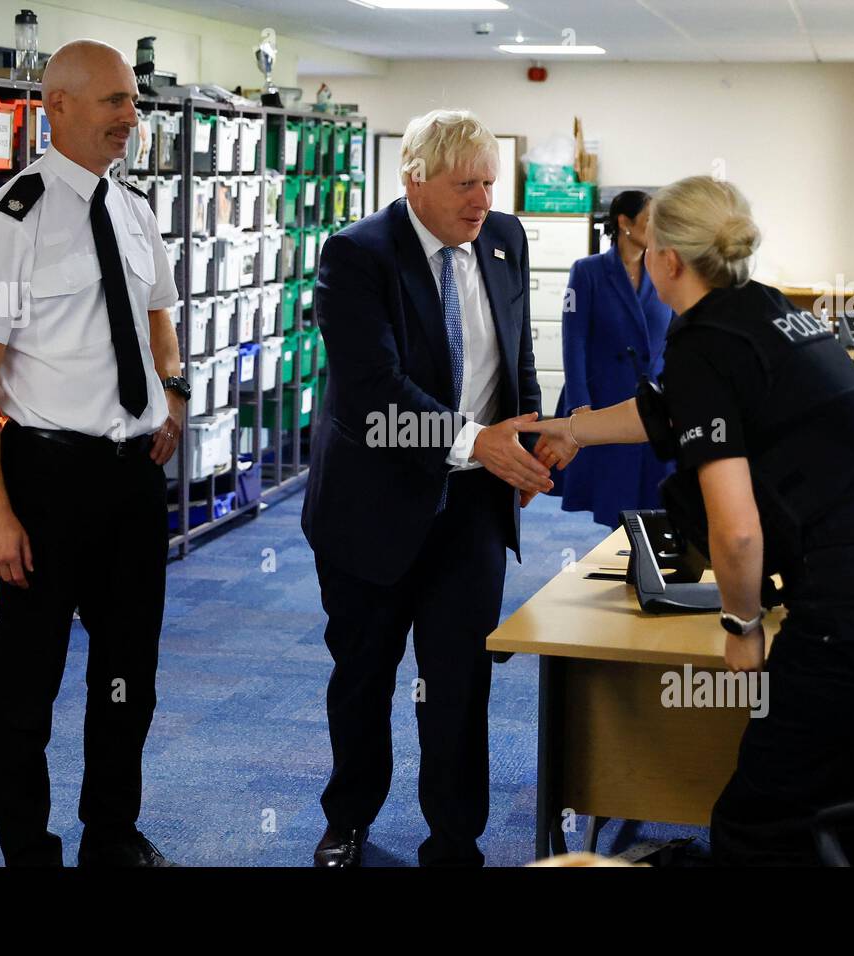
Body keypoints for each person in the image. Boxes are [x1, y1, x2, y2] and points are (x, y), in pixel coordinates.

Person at [523, 175, 854, 866]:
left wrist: (742, 625)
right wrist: (574, 429)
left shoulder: (704, 341)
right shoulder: (759, 310)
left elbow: (735, 528)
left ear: (669, 258)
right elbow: (663, 410)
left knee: (759, 827)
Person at [0, 39, 189, 868]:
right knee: (28, 684)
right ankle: (28, 850)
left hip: (131, 478)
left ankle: (111, 834)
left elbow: (159, 313)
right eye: (114, 101)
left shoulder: (134, 209)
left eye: (132, 101)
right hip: (46, 480)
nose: (132, 116)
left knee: (129, 675)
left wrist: (175, 389)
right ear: (55, 106)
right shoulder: (4, 218)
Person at [301, 108, 549, 867]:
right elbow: (376, 399)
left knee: (457, 680)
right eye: (463, 184)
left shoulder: (504, 240)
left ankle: (454, 837)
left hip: (472, 505)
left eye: (488, 182)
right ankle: (349, 819)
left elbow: (517, 355)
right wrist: (477, 440)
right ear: (413, 180)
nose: (481, 200)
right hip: (372, 502)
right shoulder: (357, 256)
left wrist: (528, 441)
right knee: (366, 674)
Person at [551, 190, 674, 528]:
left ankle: (646, 562)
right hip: (604, 396)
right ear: (624, 223)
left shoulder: (665, 267)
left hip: (654, 401)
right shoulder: (586, 271)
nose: (656, 228)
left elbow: (676, 332)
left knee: (655, 493)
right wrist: (580, 406)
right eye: (650, 220)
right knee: (613, 493)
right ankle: (626, 559)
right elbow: (572, 339)